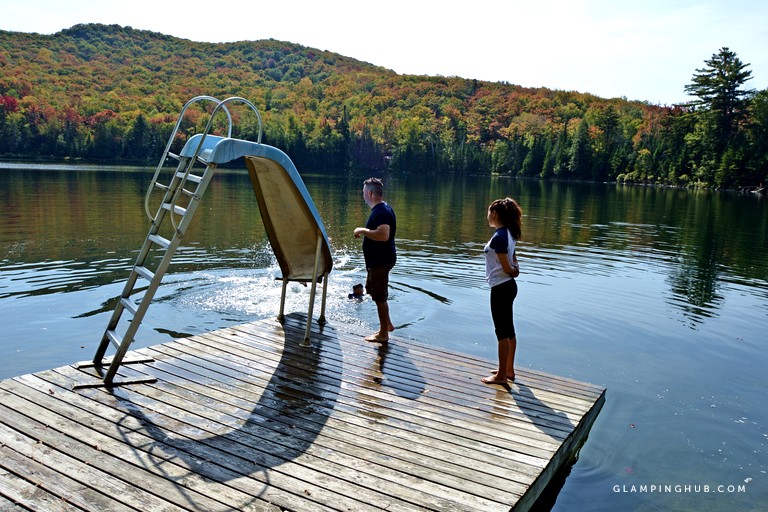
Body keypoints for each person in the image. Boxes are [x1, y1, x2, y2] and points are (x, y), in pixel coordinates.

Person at [480, 197, 522, 385]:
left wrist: (513, 270)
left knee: (502, 332)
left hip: (501, 287)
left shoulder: (500, 237)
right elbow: (513, 258)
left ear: (495, 213)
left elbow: (507, 267)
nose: (487, 215)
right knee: (509, 329)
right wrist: (515, 269)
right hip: (507, 287)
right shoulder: (508, 234)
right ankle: (508, 369)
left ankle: (501, 376)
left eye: (489, 212)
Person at [353, 177, 396, 343]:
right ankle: (388, 324)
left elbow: (383, 235)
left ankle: (383, 334)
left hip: (381, 261)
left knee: (380, 297)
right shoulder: (382, 209)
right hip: (378, 261)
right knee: (372, 290)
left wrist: (363, 230)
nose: (363, 195)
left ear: (370, 193)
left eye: (364, 192)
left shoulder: (381, 212)